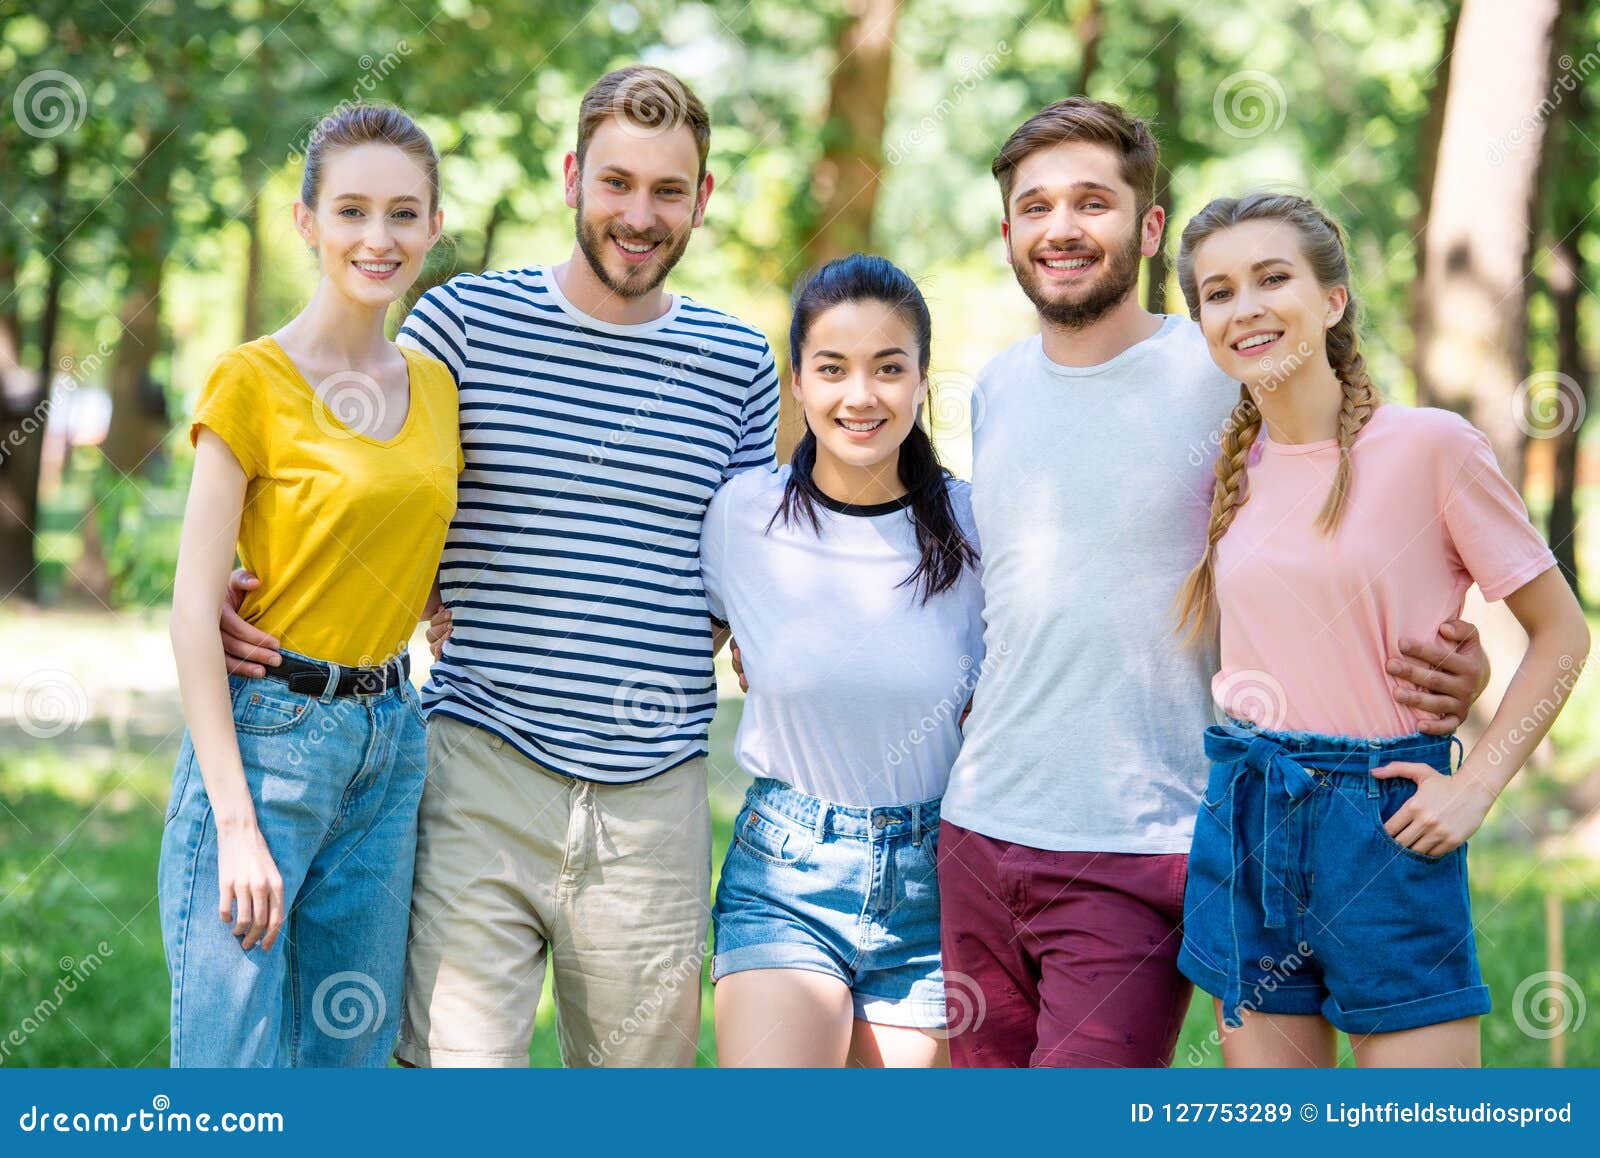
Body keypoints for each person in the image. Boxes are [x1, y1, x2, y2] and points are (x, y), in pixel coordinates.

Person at [220, 66, 780, 1067]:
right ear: (572, 177)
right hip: (477, 766)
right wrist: (244, 580)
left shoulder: (736, 363)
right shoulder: (462, 327)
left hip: (652, 799)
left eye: (665, 190)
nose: (638, 214)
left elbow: (753, 571)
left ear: (702, 198)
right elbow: (359, 478)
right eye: (615, 182)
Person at [932, 97, 1492, 1067]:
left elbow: (1356, 498)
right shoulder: (995, 388)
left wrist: (1447, 652)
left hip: (1148, 830)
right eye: (1034, 207)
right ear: (1008, 232)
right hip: (978, 829)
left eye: (1091, 202)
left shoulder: (1228, 359)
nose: (1061, 228)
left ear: (1148, 229)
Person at [1170, 192, 1589, 1066]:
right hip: (1250, 809)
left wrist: (1476, 788)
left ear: (1333, 299)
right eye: (1217, 292)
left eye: (1272, 278)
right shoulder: (1225, 474)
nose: (1244, 307)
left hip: (1386, 823)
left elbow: (1562, 633)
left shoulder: (1433, 448)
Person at [161, 104, 455, 1067]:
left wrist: (426, 598)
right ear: (306, 221)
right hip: (267, 742)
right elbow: (189, 613)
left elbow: (401, 541)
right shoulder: (251, 380)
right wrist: (237, 827)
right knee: (229, 1074)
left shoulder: (435, 386)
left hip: (391, 741)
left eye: (404, 214)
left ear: (433, 227)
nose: (379, 239)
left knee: (350, 1067)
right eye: (353, 211)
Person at [703, 254, 984, 1067]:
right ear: (797, 383)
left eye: (888, 368)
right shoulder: (741, 516)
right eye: (832, 369)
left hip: (935, 874)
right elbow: (665, 632)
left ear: (922, 381)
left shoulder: (973, 525)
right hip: (787, 870)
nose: (860, 396)